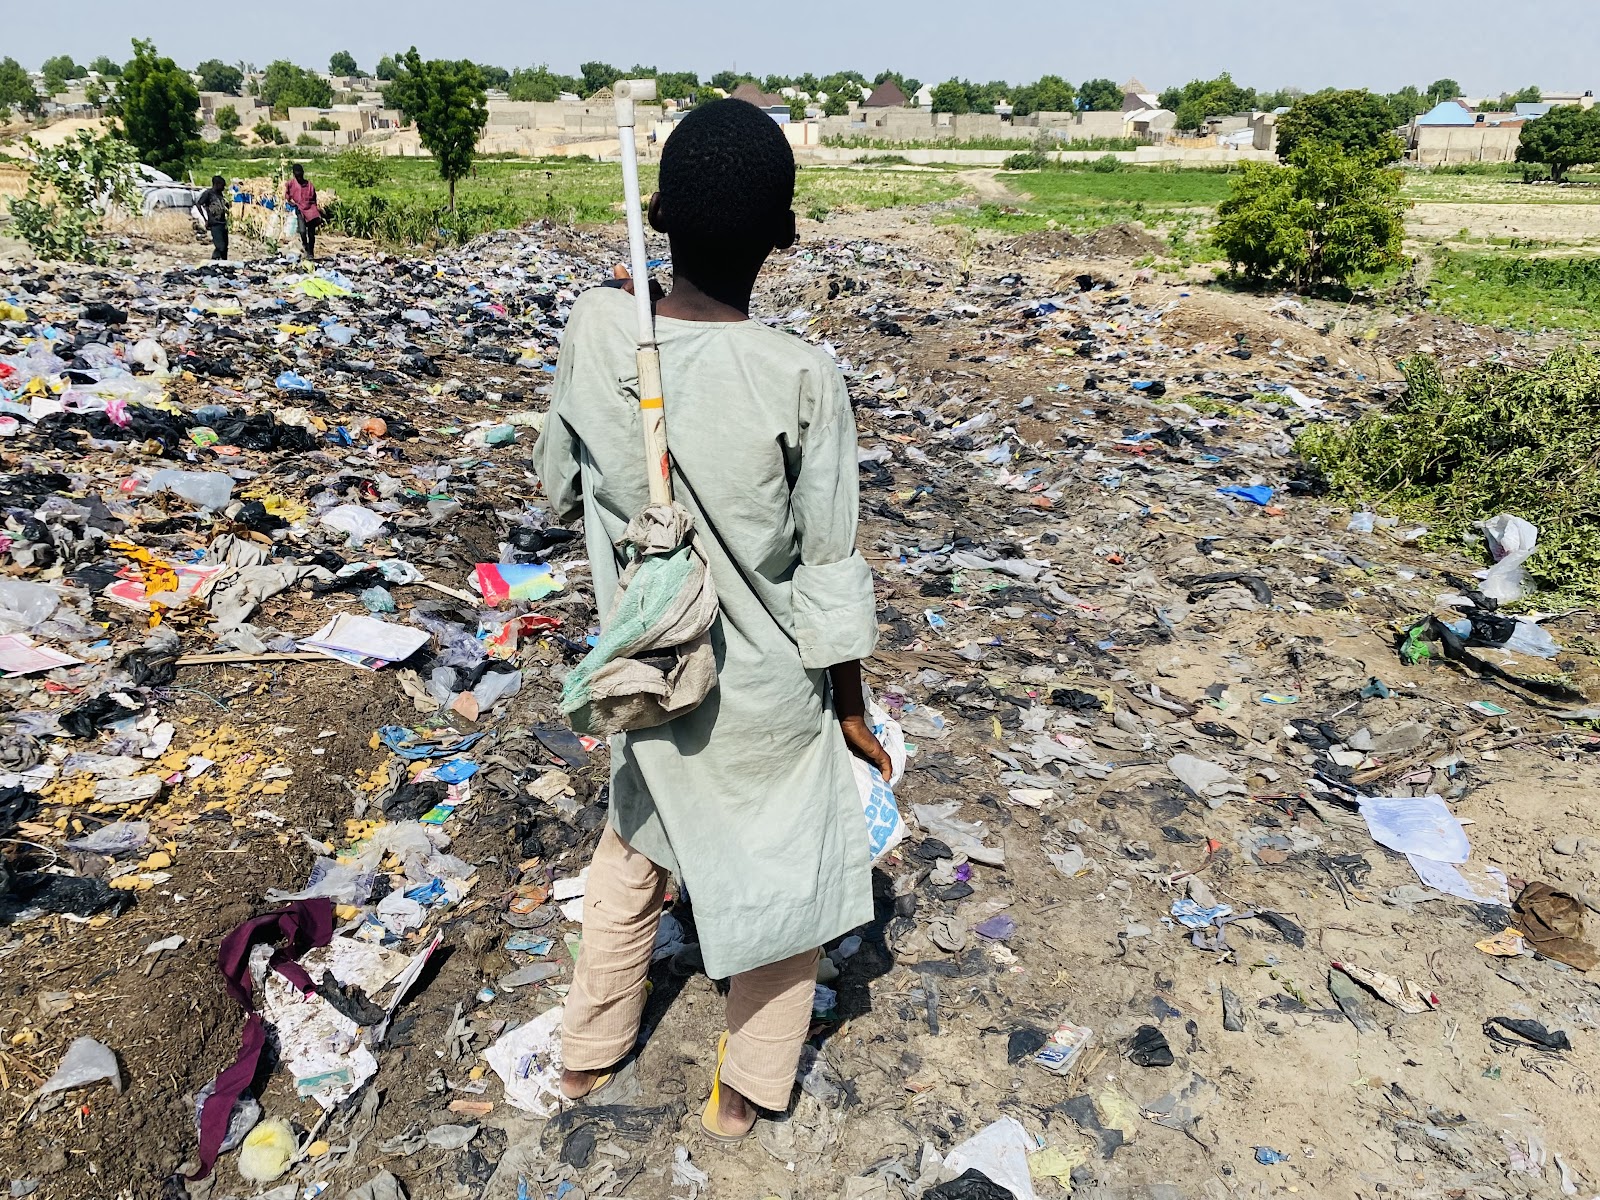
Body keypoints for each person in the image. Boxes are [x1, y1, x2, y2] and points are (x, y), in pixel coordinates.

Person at [533, 98, 891, 1143]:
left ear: (659, 216)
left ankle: (587, 1060)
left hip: (648, 669)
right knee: (788, 884)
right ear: (783, 233)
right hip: (765, 692)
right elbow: (826, 567)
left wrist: (621, 306)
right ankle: (743, 1097)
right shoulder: (800, 375)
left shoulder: (600, 333)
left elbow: (559, 489)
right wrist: (851, 706)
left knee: (635, 846)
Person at [285, 163, 323, 260]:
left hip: (310, 209)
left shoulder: (309, 185)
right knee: (302, 231)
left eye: (300, 175)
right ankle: (305, 246)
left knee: (311, 233)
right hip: (300, 209)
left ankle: (311, 252)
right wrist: (292, 203)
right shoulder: (291, 184)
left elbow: (314, 198)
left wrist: (314, 208)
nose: (299, 177)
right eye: (297, 175)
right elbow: (287, 196)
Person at [194, 174, 229, 260]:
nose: (223, 187)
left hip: (223, 223)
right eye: (222, 185)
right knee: (220, 246)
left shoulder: (220, 194)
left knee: (225, 247)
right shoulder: (208, 193)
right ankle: (214, 261)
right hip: (214, 223)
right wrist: (205, 218)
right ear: (216, 184)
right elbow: (199, 204)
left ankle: (224, 263)